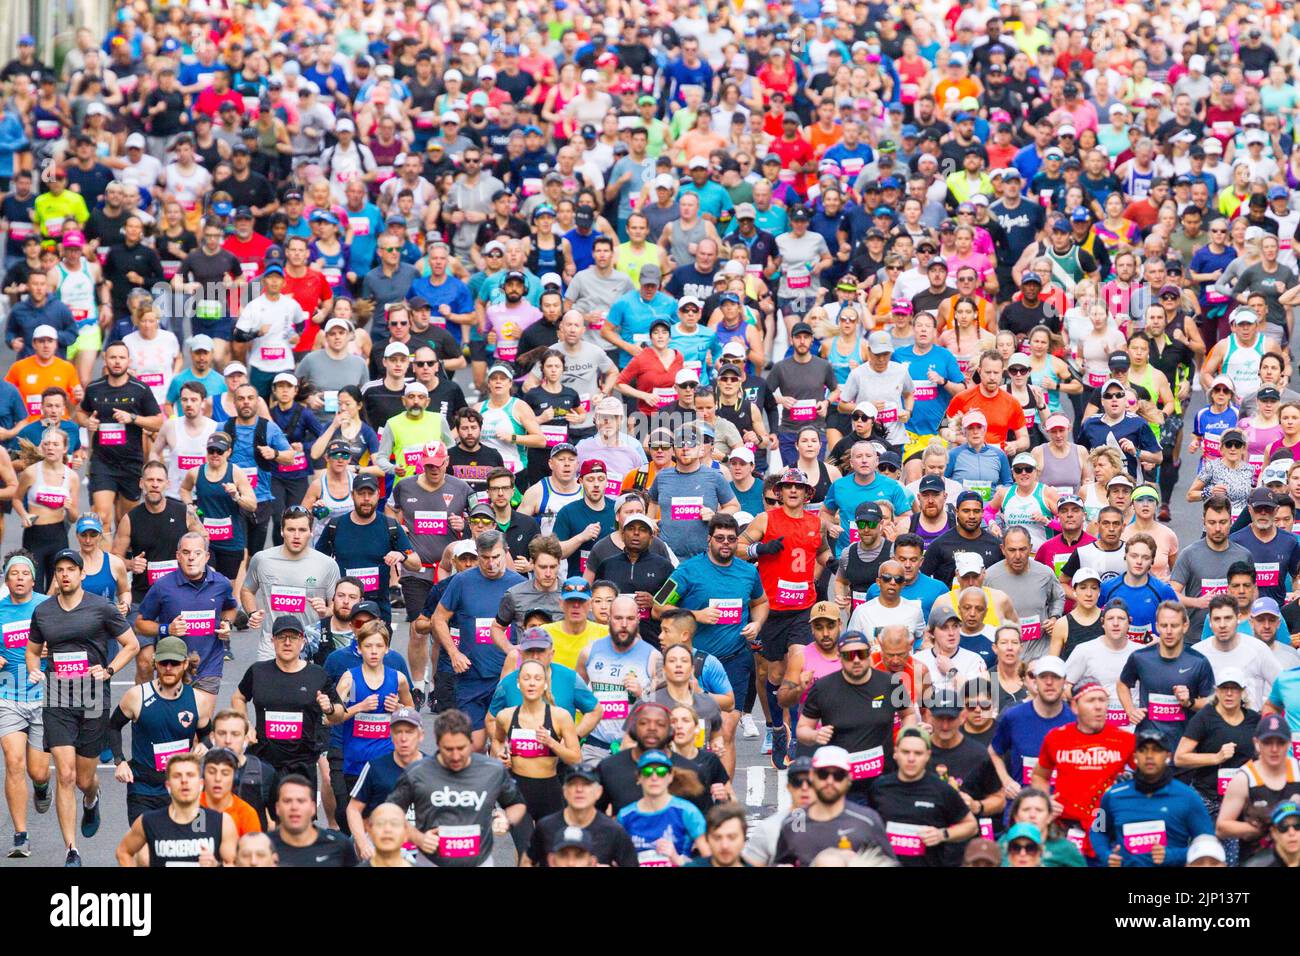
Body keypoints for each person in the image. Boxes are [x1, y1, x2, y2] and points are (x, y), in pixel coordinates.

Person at [26, 547, 138, 867]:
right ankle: (71, 851)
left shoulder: (101, 608)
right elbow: (33, 650)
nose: (64, 574)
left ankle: (92, 799)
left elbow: (130, 645)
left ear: (81, 574)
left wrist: (109, 670)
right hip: (58, 697)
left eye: (70, 569)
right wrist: (34, 667)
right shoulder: (44, 611)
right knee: (65, 774)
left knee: (84, 779)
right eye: (59, 569)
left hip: (92, 697)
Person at [738, 466, 830, 767]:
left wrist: (835, 565)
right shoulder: (766, 519)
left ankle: (797, 736)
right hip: (770, 608)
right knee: (774, 676)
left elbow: (822, 554)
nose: (792, 491)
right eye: (787, 487)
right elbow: (737, 547)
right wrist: (759, 548)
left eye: (798, 487)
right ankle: (778, 728)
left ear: (807, 493)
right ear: (780, 492)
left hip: (803, 609)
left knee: (798, 667)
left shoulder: (817, 523)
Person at [386, 708, 527, 867]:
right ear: (437, 743)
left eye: (461, 748)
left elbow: (517, 804)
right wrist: (418, 837)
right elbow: (390, 813)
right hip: (431, 862)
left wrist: (506, 821)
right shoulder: (417, 773)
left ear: (471, 742)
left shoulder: (492, 770)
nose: (455, 756)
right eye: (448, 749)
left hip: (479, 862)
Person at [133, 533, 237, 722]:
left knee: (201, 723)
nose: (191, 558)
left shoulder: (221, 583)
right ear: (178, 556)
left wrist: (227, 624)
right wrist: (167, 629)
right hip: (173, 667)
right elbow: (140, 624)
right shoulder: (162, 586)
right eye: (186, 552)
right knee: (176, 725)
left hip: (209, 666)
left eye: (197, 553)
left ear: (206, 556)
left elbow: (230, 608)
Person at [231, 615, 332, 794]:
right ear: (272, 640)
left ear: (302, 641)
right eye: (281, 637)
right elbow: (238, 698)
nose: (287, 643)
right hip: (264, 759)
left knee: (297, 817)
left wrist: (329, 709)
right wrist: (246, 725)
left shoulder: (317, 674)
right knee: (265, 818)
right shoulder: (258, 671)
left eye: (293, 638)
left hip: (302, 762)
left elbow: (338, 713)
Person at [107, 636, 203, 825]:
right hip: (143, 788)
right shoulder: (136, 696)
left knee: (180, 850)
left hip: (181, 788)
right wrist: (120, 761)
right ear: (155, 664)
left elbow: (207, 732)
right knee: (143, 849)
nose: (168, 668)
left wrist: (205, 746)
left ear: (185, 664)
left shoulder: (198, 700)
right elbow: (113, 726)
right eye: (163, 662)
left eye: (174, 663)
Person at [1091, 727, 1215, 867]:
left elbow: (1208, 845)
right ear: (1134, 757)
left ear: (1168, 757)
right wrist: (1106, 855)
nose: (1149, 756)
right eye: (1143, 750)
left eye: (1156, 750)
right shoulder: (1113, 795)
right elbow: (1097, 830)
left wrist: (1173, 855)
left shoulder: (1188, 797)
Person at [76, 341, 164, 528]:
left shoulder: (139, 389)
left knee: (125, 520)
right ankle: (105, 558)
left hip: (131, 462)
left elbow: (158, 422)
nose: (117, 361)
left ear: (128, 361)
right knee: (102, 516)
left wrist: (133, 418)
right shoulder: (94, 388)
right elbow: (80, 413)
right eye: (113, 357)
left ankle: (121, 557)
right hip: (102, 462)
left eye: (121, 357)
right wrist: (86, 422)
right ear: (105, 359)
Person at [866, 726, 980, 867]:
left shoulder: (941, 790)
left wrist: (942, 834)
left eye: (918, 753)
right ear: (895, 753)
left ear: (928, 755)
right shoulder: (879, 787)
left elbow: (971, 826)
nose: (911, 759)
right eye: (905, 752)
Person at [240, 505, 341, 660]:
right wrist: (252, 612)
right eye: (291, 530)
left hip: (310, 647)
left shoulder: (327, 564)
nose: (296, 535)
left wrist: (326, 611)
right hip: (271, 647)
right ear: (281, 531)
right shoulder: (262, 560)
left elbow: (338, 606)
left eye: (302, 530)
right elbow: (247, 590)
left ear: (311, 532)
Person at [316, 473, 421, 623]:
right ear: (352, 495)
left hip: (378, 611)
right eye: (361, 493)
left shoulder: (390, 526)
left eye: (370, 493)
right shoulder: (335, 525)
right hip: (344, 610)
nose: (366, 499)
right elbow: (317, 564)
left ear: (378, 495)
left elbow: (416, 564)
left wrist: (402, 556)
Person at [0, 551, 50, 858]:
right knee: (13, 761)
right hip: (7, 695)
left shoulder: (46, 606)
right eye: (13, 573)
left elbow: (70, 640)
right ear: (6, 580)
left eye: (24, 573)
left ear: (33, 578)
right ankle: (21, 835)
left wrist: (52, 651)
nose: (19, 578)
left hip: (44, 695)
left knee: (38, 771)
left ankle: (43, 787)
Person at [1117, 601, 1216, 751]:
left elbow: (1210, 702)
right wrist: (1130, 710)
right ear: (1157, 626)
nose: (1169, 631)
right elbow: (1122, 683)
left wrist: (1190, 702)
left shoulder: (1198, 661)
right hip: (1148, 748)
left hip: (1183, 749)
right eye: (1164, 626)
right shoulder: (1140, 657)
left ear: (1185, 626)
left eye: (1174, 625)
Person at [114, 753, 237, 867]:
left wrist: (216, 865)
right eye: (177, 776)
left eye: (190, 775)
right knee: (143, 857)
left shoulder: (221, 822)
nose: (184, 781)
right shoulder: (148, 821)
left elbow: (233, 863)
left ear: (201, 784)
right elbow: (123, 852)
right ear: (168, 785)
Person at [346, 706, 426, 861]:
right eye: (398, 732)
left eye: (409, 732)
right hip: (382, 845)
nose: (403, 738)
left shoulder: (433, 767)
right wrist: (362, 843)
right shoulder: (375, 767)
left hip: (421, 846)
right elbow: (353, 809)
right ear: (390, 735)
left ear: (421, 735)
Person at [615, 749, 707, 866]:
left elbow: (709, 858)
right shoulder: (625, 815)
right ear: (639, 777)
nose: (654, 777)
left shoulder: (687, 811)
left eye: (661, 772)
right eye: (648, 772)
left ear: (670, 776)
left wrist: (677, 859)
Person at [268, 773, 357, 867]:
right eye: (287, 801)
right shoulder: (262, 845)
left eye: (301, 801)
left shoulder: (340, 845)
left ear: (313, 807)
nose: (294, 807)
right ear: (277, 808)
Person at [1244, 802, 1300, 868]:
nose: (1291, 833)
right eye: (1283, 827)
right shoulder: (1256, 865)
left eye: (1297, 825)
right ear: (1274, 832)